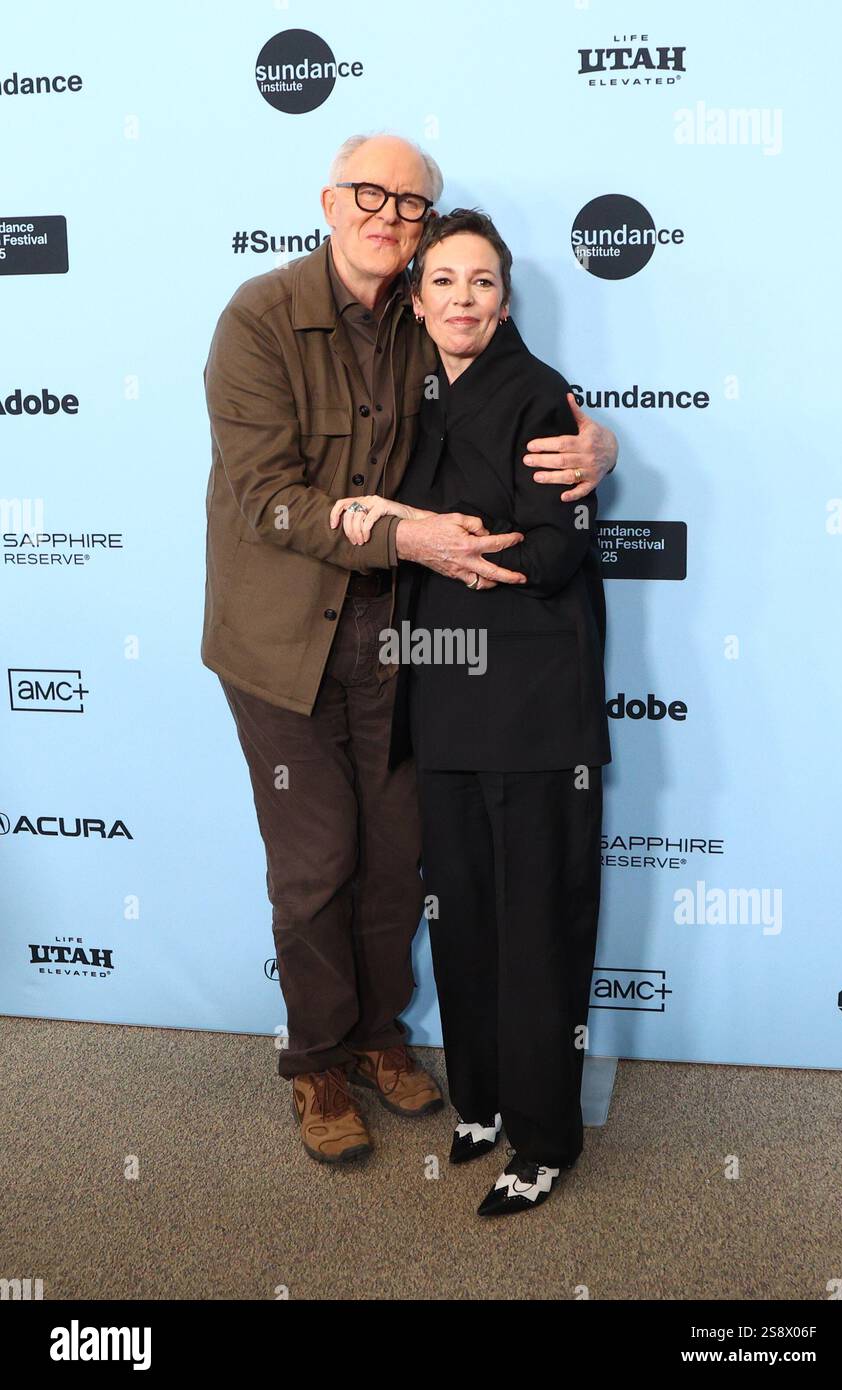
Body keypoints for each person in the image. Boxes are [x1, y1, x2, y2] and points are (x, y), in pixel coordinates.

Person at [202, 133, 618, 1167]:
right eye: (368, 194)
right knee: (317, 864)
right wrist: (411, 536)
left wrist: (600, 445)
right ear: (328, 202)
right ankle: (316, 1060)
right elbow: (270, 499)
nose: (387, 216)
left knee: (396, 861)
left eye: (410, 204)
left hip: (400, 642)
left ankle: (380, 1034)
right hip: (283, 641)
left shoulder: (417, 315)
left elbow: (511, 401)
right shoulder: (259, 317)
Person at [330, 209, 611, 1216]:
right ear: (416, 300)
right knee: (461, 923)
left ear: (503, 299)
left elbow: (558, 548)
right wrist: (409, 528)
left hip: (533, 712)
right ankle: (483, 1104)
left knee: (535, 930)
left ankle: (543, 1140)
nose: (462, 298)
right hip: (442, 696)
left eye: (481, 281)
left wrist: (450, 547)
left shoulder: (539, 395)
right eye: (443, 280)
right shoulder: (410, 395)